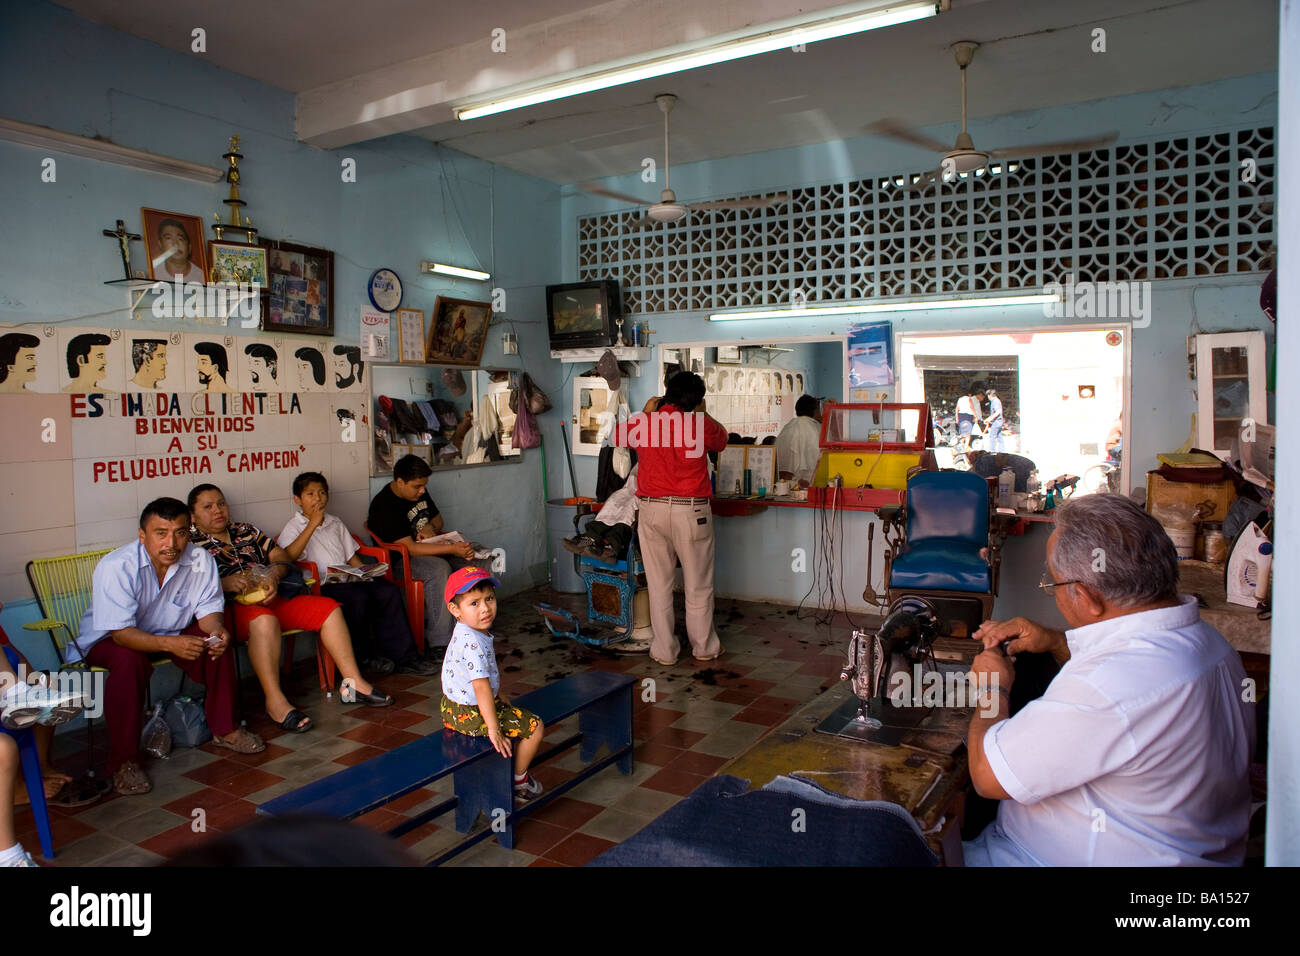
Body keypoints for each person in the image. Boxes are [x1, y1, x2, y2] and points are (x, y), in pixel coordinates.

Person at [964, 494, 1253, 865]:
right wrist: (1055, 641)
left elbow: (988, 777)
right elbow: (1127, 686)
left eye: (1052, 585)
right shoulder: (1209, 642)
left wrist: (992, 688)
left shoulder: (1106, 686)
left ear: (1085, 597)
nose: (1054, 595)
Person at [73, 497, 266, 796]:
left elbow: (209, 611)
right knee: (129, 661)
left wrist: (216, 631)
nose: (171, 542)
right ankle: (124, 762)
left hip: (169, 632)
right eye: (160, 533)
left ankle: (225, 729)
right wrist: (170, 644)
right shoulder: (117, 567)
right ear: (142, 536)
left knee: (216, 645)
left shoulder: (199, 559)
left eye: (179, 532)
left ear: (189, 532)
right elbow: (122, 634)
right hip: (111, 640)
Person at [188, 484, 393, 734]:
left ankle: (353, 685)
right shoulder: (189, 544)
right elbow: (184, 586)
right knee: (265, 621)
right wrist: (223, 583)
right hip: (231, 610)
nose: (217, 510)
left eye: (220, 503)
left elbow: (281, 556)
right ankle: (275, 702)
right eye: (207, 507)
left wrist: (274, 573)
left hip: (273, 597)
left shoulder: (245, 530)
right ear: (193, 515)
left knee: (329, 609)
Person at [277, 472, 437, 677]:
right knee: (357, 598)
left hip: (346, 578)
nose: (317, 498)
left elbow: (352, 557)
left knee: (387, 591)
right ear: (298, 500)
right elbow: (288, 556)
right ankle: (363, 659)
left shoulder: (335, 522)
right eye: (310, 494)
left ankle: (404, 658)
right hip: (321, 585)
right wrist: (312, 525)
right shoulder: (293, 526)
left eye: (322, 493)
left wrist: (365, 573)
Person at [621, 371, 728, 666]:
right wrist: (704, 415)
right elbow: (722, 441)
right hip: (690, 512)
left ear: (666, 392)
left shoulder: (646, 423)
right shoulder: (701, 424)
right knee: (698, 585)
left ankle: (664, 650)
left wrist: (646, 412)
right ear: (697, 400)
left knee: (658, 585)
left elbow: (627, 439)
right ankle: (704, 647)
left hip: (652, 511)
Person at [440, 567, 544, 802]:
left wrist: (499, 694)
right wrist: (494, 729)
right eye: (474, 603)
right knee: (535, 728)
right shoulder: (473, 643)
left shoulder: (465, 630)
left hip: (451, 709)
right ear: (455, 609)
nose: (485, 608)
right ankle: (518, 781)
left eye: (489, 599)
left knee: (504, 705)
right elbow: (480, 687)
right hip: (473, 715)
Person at [367, 454, 478, 652]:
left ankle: (475, 627)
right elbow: (412, 549)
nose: (422, 490)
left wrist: (429, 527)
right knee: (438, 569)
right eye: (417, 486)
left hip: (432, 549)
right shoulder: (385, 506)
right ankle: (441, 642)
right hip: (403, 562)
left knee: (477, 557)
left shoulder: (419, 493)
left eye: (424, 485)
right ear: (400, 482)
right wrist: (453, 549)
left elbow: (439, 521)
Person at [775, 394, 822, 486]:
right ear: (815, 410)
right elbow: (818, 457)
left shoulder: (788, 427)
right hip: (809, 482)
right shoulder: (815, 428)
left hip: (784, 483)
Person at [151, 217, 204, 283]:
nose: (176, 244)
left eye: (180, 239)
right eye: (168, 238)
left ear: (189, 247)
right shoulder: (153, 274)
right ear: (160, 244)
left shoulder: (202, 277)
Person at [966, 449, 1037, 492]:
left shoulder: (982, 462)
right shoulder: (989, 457)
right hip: (1027, 465)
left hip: (1022, 468)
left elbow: (980, 480)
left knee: (1018, 496)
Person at [955, 386, 983, 452]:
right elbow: (972, 408)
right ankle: (966, 446)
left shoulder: (960, 399)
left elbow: (957, 409)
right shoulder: (969, 399)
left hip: (961, 416)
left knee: (962, 432)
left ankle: (962, 444)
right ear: (969, 394)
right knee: (968, 433)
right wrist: (976, 416)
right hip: (968, 416)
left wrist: (957, 417)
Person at [983, 387, 1004, 453]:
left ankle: (992, 451)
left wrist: (990, 419)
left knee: (992, 436)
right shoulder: (997, 401)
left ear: (989, 395)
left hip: (996, 422)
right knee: (999, 436)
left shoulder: (995, 401)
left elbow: (998, 412)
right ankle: (1002, 451)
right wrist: (989, 418)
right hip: (999, 421)